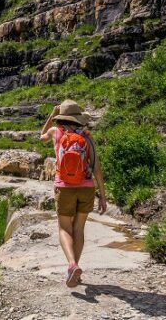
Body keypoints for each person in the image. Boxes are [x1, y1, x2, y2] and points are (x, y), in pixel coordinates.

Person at [40, 99, 107, 288]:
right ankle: (75, 270)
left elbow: (41, 136)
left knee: (63, 229)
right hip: (86, 187)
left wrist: (51, 116)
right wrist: (102, 196)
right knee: (78, 229)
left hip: (64, 187)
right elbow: (97, 169)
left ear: (61, 117)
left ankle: (72, 265)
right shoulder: (86, 137)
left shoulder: (56, 132)